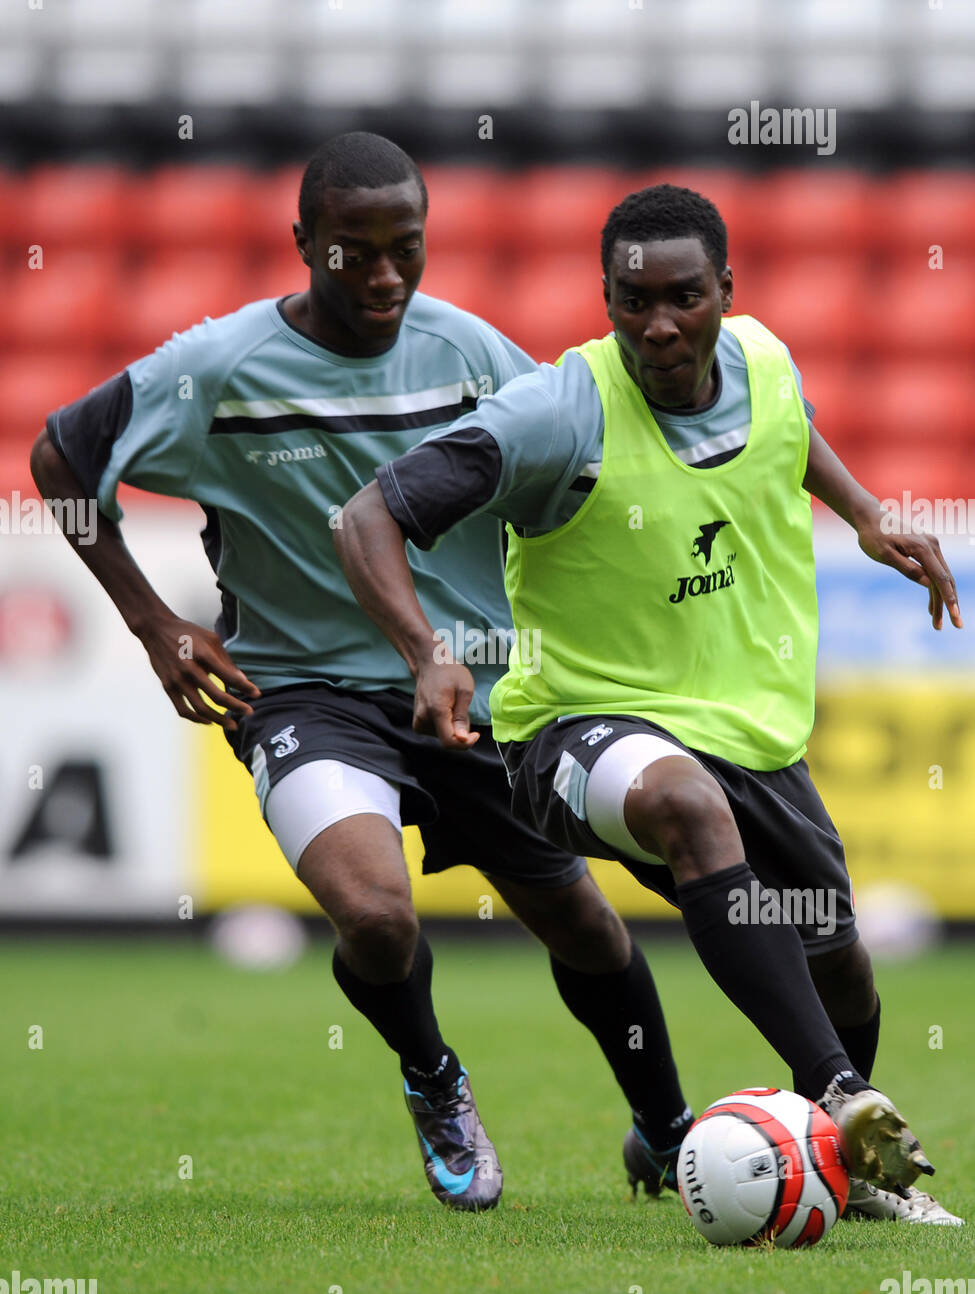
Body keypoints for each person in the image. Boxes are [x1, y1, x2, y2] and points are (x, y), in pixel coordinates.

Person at [30, 135, 697, 1213]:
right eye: (354, 253)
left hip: (472, 697)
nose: (383, 277)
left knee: (582, 924)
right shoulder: (218, 368)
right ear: (303, 245)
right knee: (376, 915)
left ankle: (669, 1133)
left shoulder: (477, 356)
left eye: (406, 250)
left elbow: (579, 482)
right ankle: (434, 1075)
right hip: (301, 695)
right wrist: (153, 623)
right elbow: (60, 458)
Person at [335, 183, 964, 1224]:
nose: (660, 325)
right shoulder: (558, 410)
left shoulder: (763, 357)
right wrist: (428, 652)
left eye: (684, 298)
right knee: (684, 805)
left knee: (841, 964)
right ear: (606, 297)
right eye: (634, 303)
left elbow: (788, 429)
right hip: (573, 724)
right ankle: (844, 1098)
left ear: (727, 289)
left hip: (748, 726)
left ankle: (821, 1157)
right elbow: (368, 516)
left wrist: (863, 513)